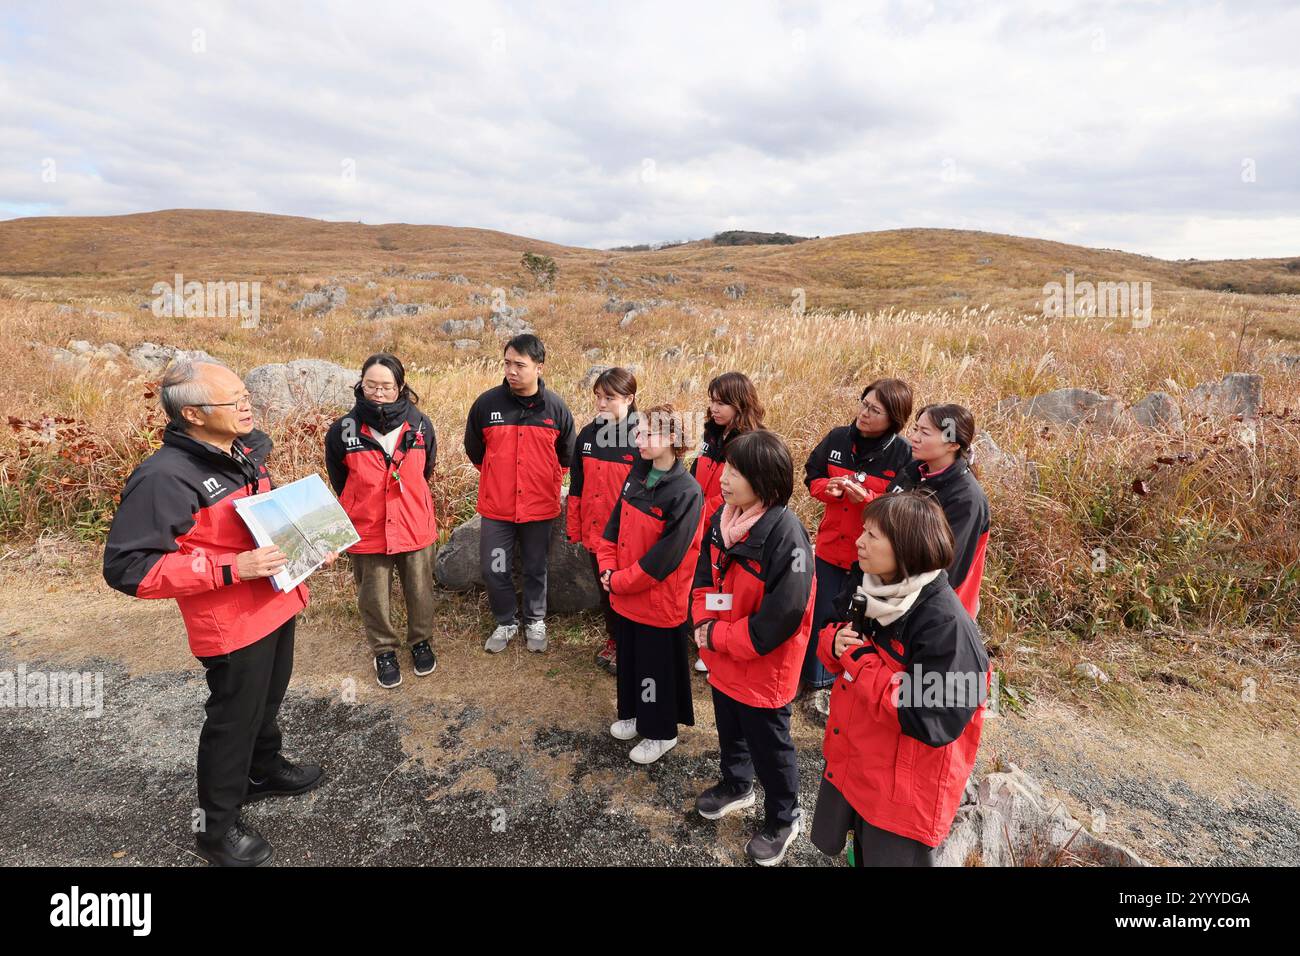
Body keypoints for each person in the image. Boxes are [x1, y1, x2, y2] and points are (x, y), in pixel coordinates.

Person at [103, 359, 331, 867]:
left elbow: (262, 518)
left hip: (277, 599)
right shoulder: (164, 478)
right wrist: (232, 568)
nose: (248, 403)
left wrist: (309, 539)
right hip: (231, 622)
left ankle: (263, 769)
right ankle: (216, 830)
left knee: (268, 700)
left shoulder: (243, 450)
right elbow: (130, 567)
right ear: (194, 414)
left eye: (245, 393)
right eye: (234, 400)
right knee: (233, 720)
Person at [811, 492, 990, 866]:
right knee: (856, 852)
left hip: (902, 794)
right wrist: (833, 643)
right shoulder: (870, 584)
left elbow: (936, 716)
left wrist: (860, 664)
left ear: (907, 547)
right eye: (863, 531)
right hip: (858, 762)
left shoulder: (947, 627)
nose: (859, 541)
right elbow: (831, 629)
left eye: (872, 536)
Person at [690, 430, 816, 866]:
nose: (725, 478)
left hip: (765, 668)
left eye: (737, 472)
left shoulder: (787, 536)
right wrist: (705, 622)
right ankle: (736, 785)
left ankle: (784, 817)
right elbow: (705, 580)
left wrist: (718, 637)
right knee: (730, 728)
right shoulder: (723, 520)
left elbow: (782, 617)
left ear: (764, 480)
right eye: (725, 467)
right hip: (726, 658)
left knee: (771, 746)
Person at [801, 378, 914, 723]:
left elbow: (904, 507)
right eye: (863, 404)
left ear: (893, 418)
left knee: (858, 619)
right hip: (830, 548)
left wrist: (865, 499)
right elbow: (811, 475)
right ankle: (812, 680)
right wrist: (828, 489)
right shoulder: (838, 438)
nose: (863, 414)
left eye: (874, 410)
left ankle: (848, 682)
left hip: (872, 559)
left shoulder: (902, 453)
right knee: (820, 614)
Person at [597, 404, 703, 764]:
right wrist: (607, 564)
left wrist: (620, 581)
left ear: (672, 439)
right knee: (629, 658)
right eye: (637, 432)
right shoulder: (638, 471)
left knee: (655, 667)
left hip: (657, 600)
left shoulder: (686, 492)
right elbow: (613, 525)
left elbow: (666, 559)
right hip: (624, 591)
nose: (637, 440)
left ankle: (660, 732)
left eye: (646, 434)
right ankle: (631, 712)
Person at [325, 353, 438, 689]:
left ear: (400, 387)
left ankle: (421, 641)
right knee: (373, 595)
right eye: (371, 385)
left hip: (413, 521)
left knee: (420, 589)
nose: (378, 392)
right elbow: (339, 478)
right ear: (361, 384)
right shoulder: (343, 429)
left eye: (386, 386)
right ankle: (383, 649)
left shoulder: (420, 424)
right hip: (367, 525)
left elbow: (425, 470)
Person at [464, 334, 576, 653]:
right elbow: (475, 451)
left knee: (535, 566)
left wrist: (545, 482)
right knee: (494, 567)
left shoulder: (555, 408)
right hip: (497, 509)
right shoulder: (487, 404)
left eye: (520, 365)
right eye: (507, 363)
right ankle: (505, 621)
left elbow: (567, 457)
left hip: (539, 509)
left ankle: (534, 620)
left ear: (539, 367)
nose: (512, 371)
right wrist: (498, 479)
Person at [689, 371, 765, 674]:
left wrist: (702, 511)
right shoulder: (711, 435)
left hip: (730, 525)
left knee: (726, 589)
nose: (714, 409)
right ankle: (705, 637)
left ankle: (719, 642)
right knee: (707, 584)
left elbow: (740, 490)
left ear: (740, 404)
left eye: (722, 403)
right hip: (701, 525)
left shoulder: (750, 442)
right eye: (712, 402)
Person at [566, 367, 639, 676]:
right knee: (606, 592)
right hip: (598, 536)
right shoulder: (588, 434)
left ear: (630, 398)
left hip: (632, 537)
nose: (601, 404)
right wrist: (574, 528)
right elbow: (577, 486)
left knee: (630, 594)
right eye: (597, 397)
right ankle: (615, 640)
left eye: (609, 398)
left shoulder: (643, 437)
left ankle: (632, 647)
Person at [888, 403, 989, 618]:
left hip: (934, 612)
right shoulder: (913, 472)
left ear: (952, 444)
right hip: (894, 593)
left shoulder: (966, 498)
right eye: (915, 429)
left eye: (924, 432)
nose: (913, 437)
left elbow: (947, 567)